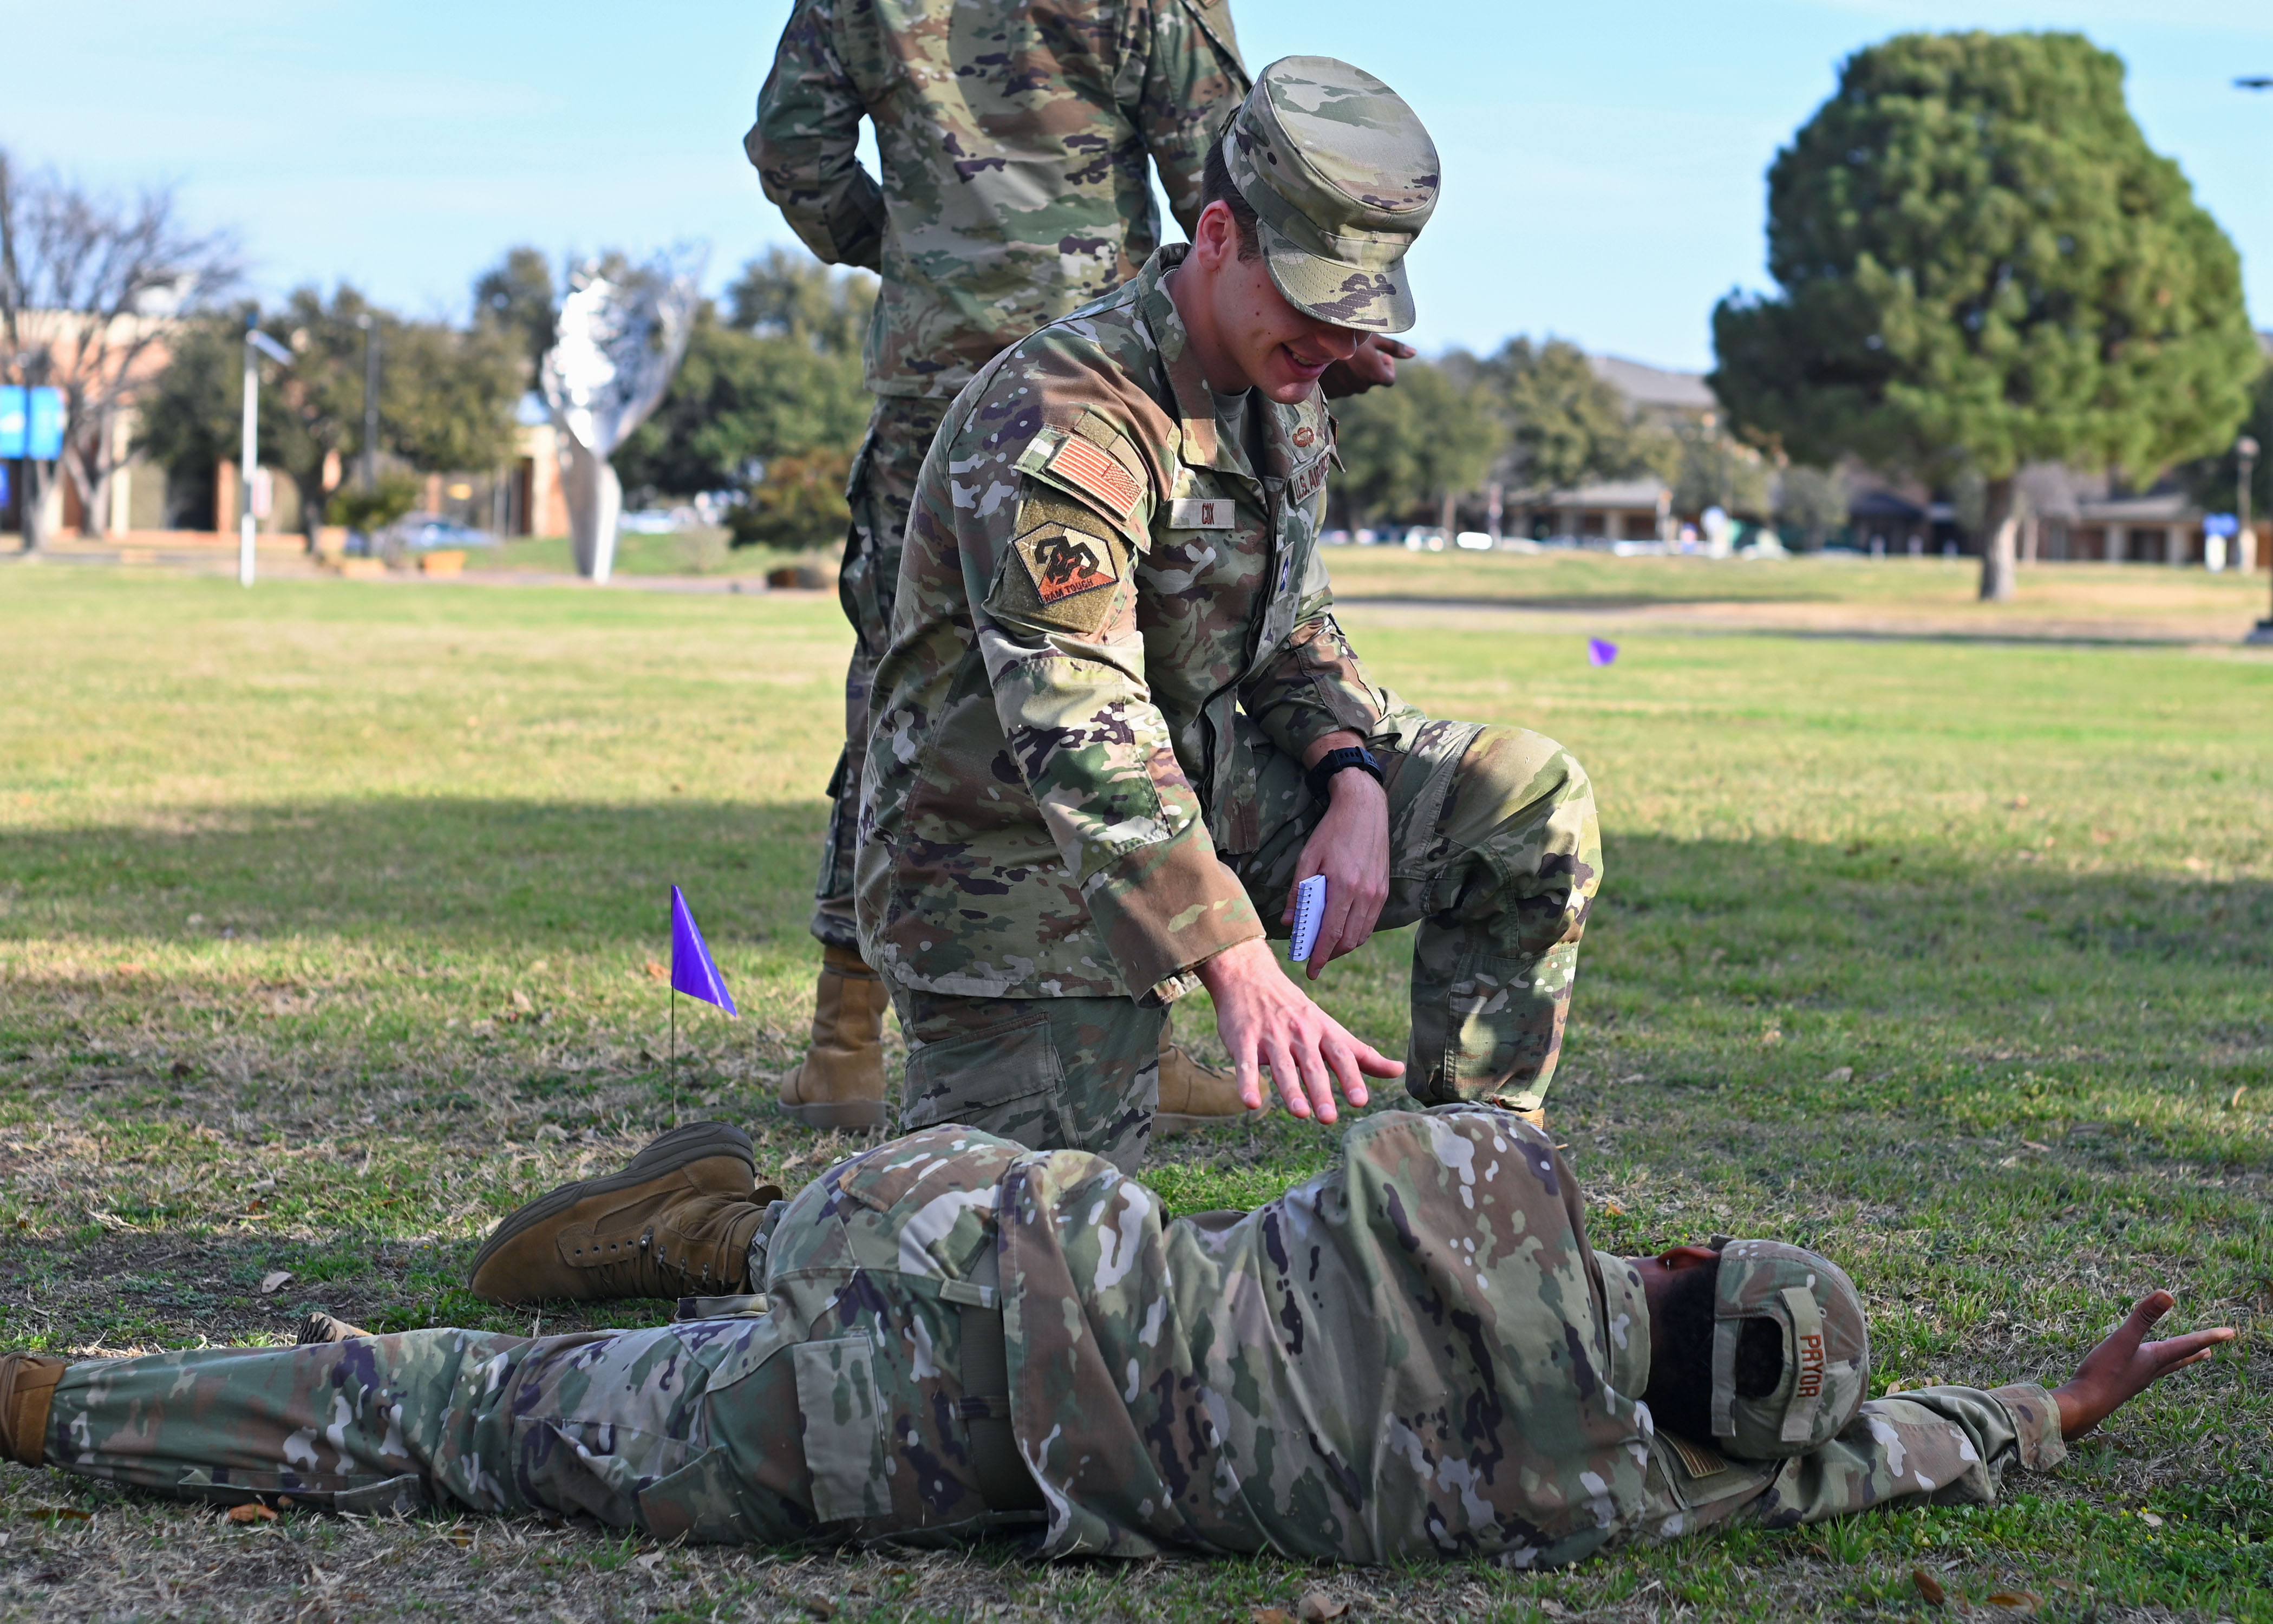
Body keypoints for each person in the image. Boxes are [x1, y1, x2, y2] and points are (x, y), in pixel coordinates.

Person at [0, 1112, 2231, 1567]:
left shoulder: (1482, 1208)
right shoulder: (1616, 1493)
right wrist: (2042, 1408)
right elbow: (1873, 1461)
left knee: (880, 1191)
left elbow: (1429, 1134)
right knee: (450, 1430)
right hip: (919, 1453)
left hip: (996, 1244)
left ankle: (722, 1216)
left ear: (1666, 1281)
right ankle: (59, 1408)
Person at [852, 56, 1598, 1175]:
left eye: (1356, 317)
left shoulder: (1283, 383)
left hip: (1203, 800)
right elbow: (1078, 721)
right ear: (1215, 237)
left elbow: (1290, 629)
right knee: (1011, 1264)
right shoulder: (1069, 420)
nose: (1334, 347)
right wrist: (1234, 959)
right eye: (1307, 304)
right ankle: (715, 1228)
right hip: (1012, 876)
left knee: (1524, 797)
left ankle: (1474, 1194)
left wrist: (1350, 775)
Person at [752, 0, 1405, 1136]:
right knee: (1099, 680)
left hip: (942, 353)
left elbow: (795, 151)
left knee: (911, 692)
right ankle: (1099, 1024)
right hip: (1125, 361)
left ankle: (845, 1040)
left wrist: (921, 252)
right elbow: (1222, 155)